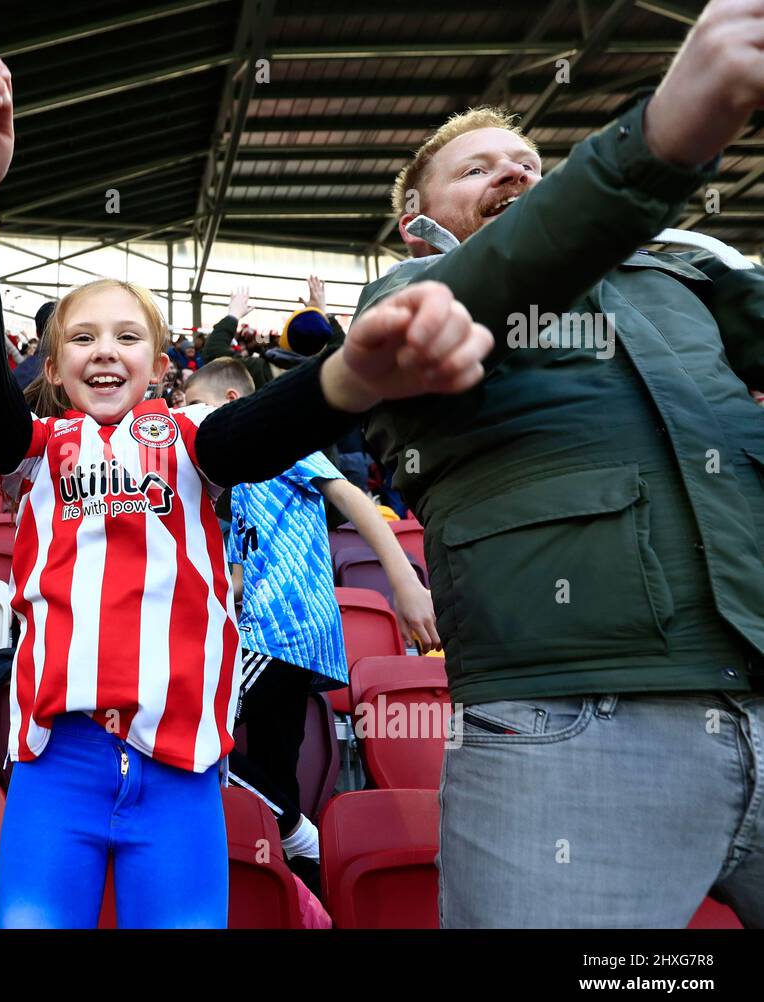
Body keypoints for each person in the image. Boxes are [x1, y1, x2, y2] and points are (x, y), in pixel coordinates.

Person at [0, 56, 492, 928]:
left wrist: (348, 371)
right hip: (55, 775)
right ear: (52, 366)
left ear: (164, 367)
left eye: (128, 336)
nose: (105, 351)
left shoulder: (195, 441)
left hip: (182, 775)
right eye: (81, 338)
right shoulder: (37, 450)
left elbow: (269, 426)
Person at [287, 0, 764, 928]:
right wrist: (656, 147)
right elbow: (501, 275)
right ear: (416, 221)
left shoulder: (678, 274)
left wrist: (687, 247)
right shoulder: (412, 297)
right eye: (479, 169)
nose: (515, 172)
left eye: (529, 165)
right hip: (570, 719)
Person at [182, 357, 437, 888]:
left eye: (193, 408)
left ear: (231, 405)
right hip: (279, 640)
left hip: (281, 632)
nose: (185, 421)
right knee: (275, 776)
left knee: (196, 730)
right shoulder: (234, 488)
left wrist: (406, 582)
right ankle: (304, 891)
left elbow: (355, 501)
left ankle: (303, 837)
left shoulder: (280, 446)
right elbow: (237, 573)